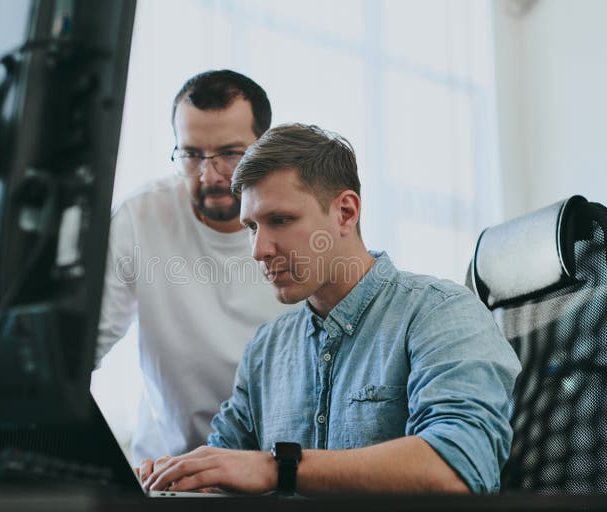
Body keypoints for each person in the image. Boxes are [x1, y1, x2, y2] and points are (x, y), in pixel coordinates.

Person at [138, 123, 521, 495]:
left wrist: (277, 468)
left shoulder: (442, 313)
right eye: (252, 226)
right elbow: (221, 470)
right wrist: (178, 477)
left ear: (345, 213)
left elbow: (457, 469)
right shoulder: (266, 349)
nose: (258, 250)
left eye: (280, 220)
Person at [96, 70, 292, 463]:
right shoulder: (141, 217)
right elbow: (81, 346)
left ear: (265, 148)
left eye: (231, 155)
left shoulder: (302, 221)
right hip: (170, 468)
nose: (211, 175)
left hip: (274, 467)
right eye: (191, 155)